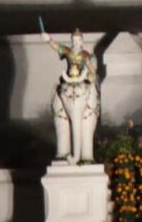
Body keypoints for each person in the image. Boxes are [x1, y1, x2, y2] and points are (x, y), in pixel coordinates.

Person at [39, 20, 100, 164]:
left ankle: (86, 155)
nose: (76, 42)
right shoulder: (68, 52)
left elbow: (93, 72)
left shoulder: (87, 56)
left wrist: (89, 70)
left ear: (82, 41)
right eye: (74, 39)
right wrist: (48, 39)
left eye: (78, 40)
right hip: (67, 87)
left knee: (88, 111)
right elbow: (57, 47)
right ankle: (63, 151)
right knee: (60, 107)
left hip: (83, 87)